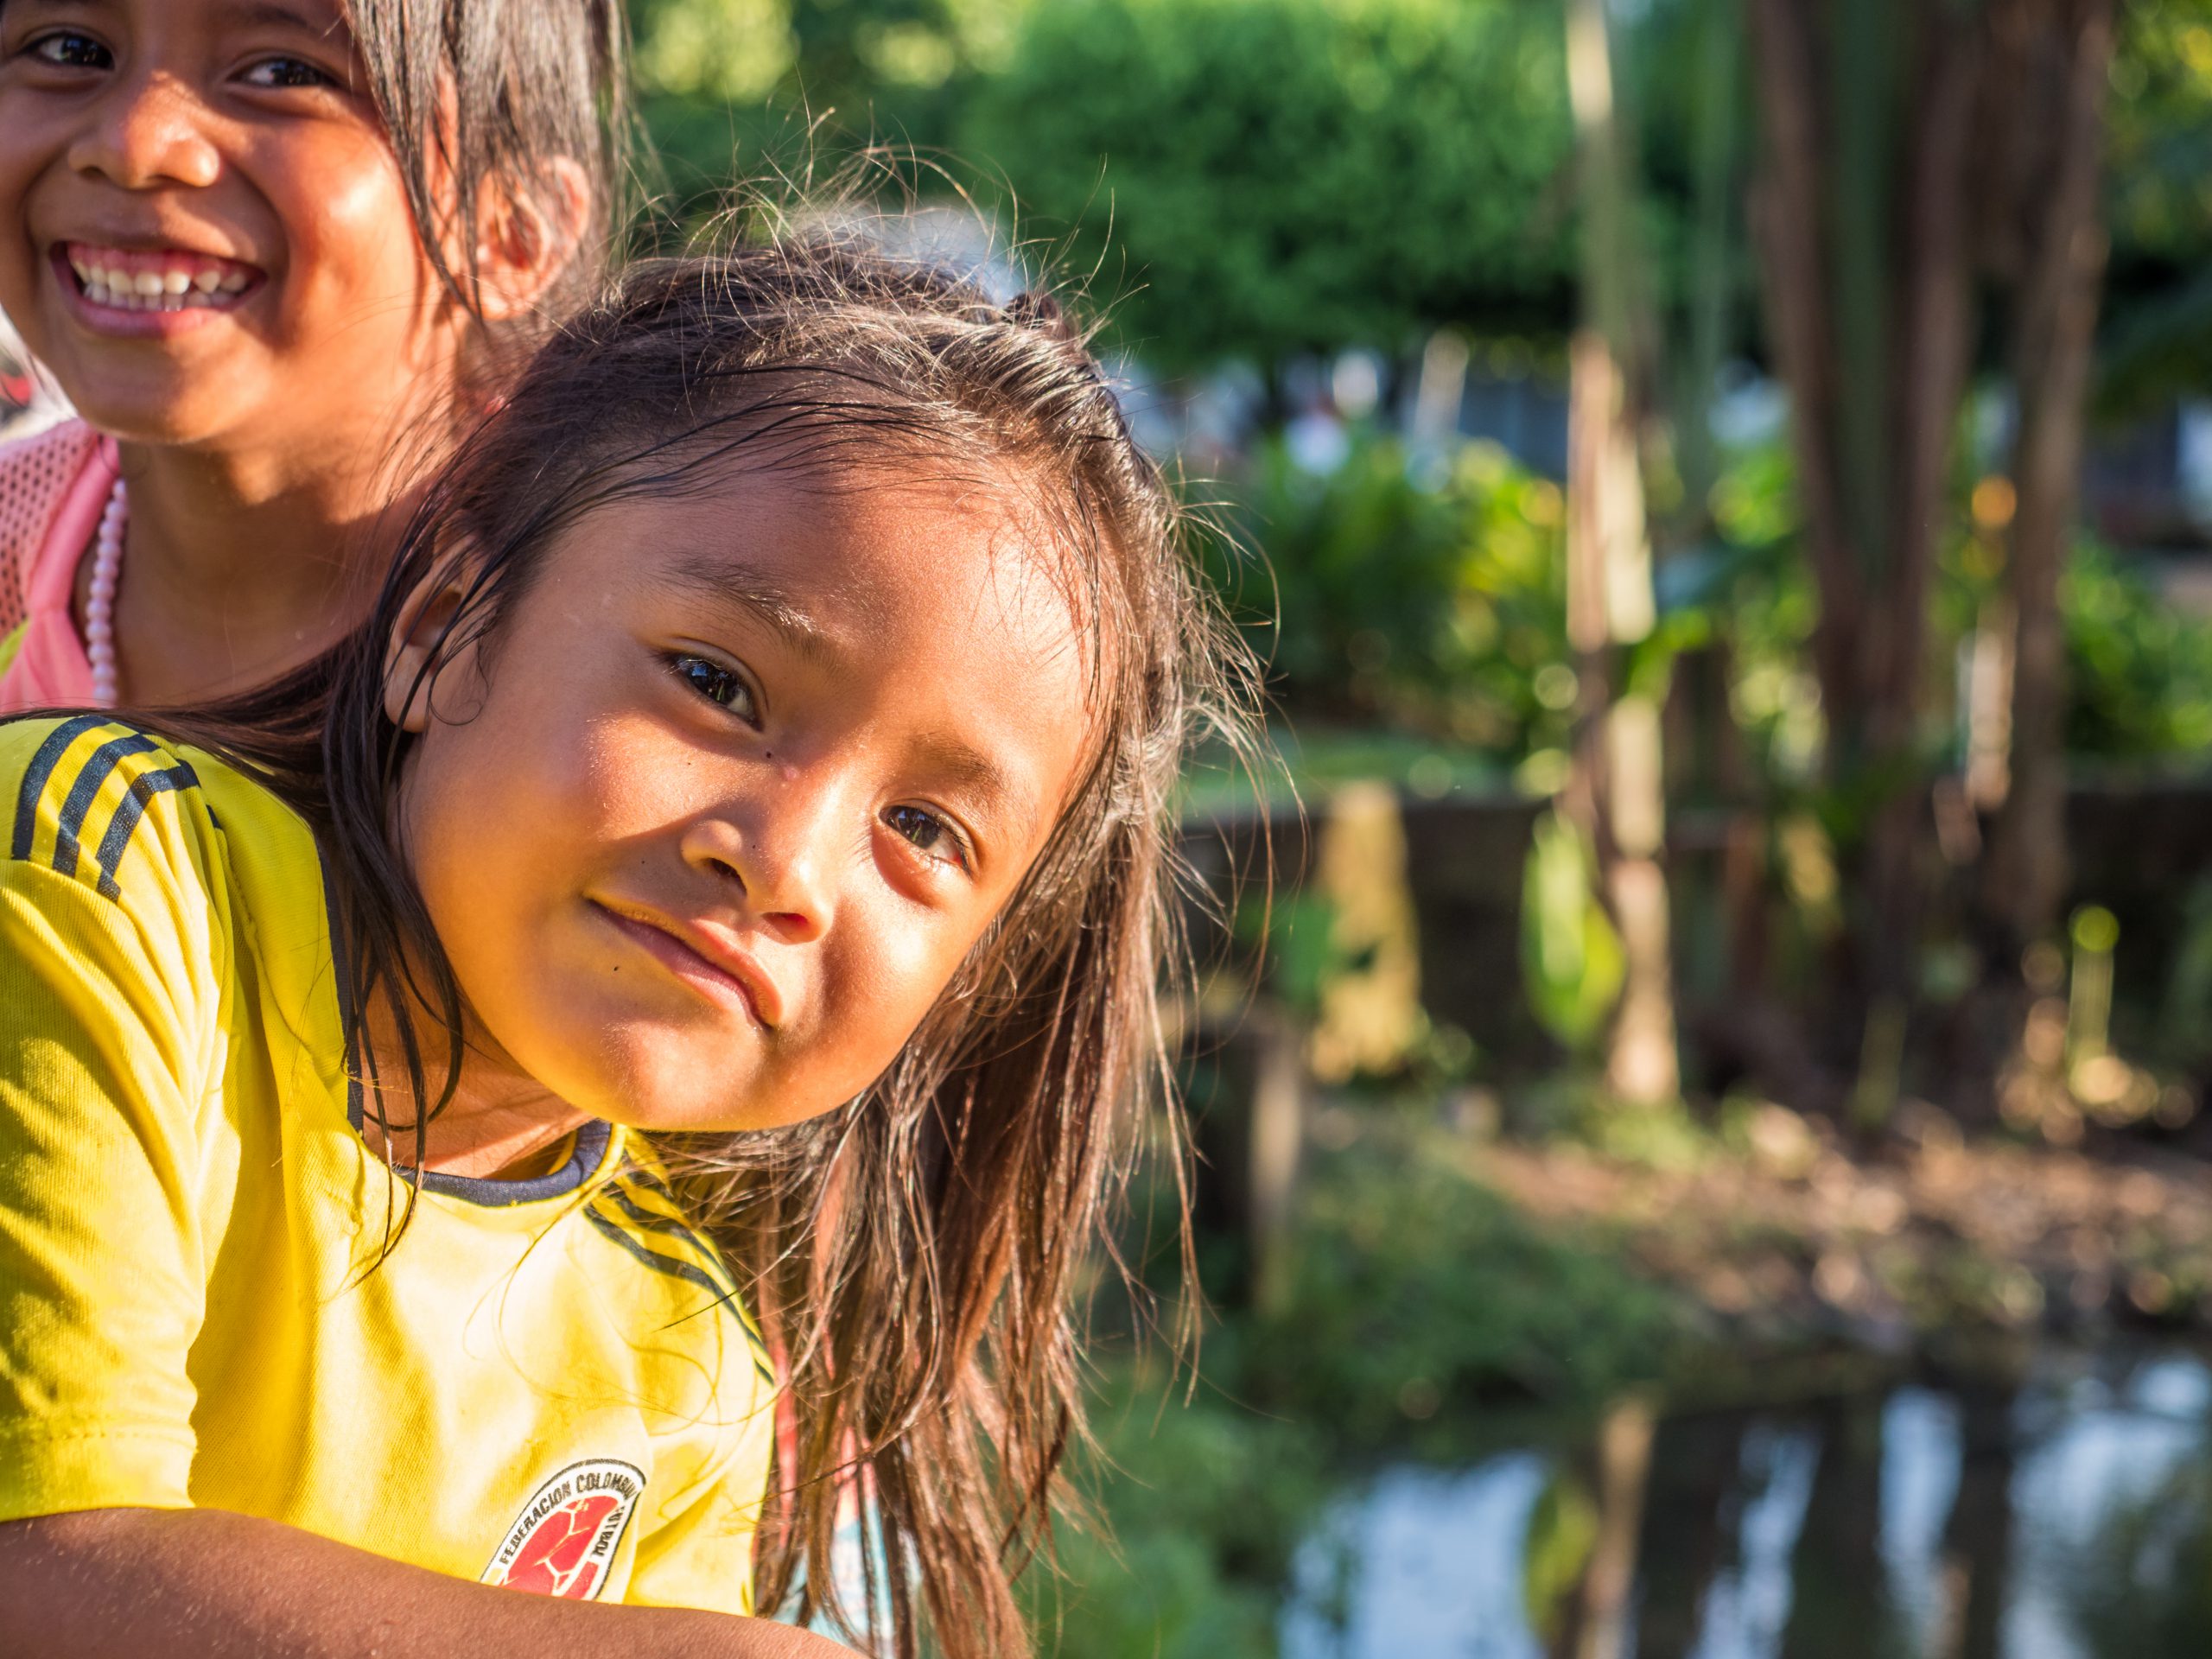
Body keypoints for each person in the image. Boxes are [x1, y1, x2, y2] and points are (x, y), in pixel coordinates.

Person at [0, 233, 1260, 1658]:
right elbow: (38, 1570)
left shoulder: (687, 1349)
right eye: (717, 686)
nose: (783, 864)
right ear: (443, 629)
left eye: (922, 828)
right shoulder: (111, 877)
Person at [0, 0, 624, 710]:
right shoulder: (14, 540)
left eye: (283, 71)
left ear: (511, 230)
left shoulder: (583, 648)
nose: (135, 147)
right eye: (70, 51)